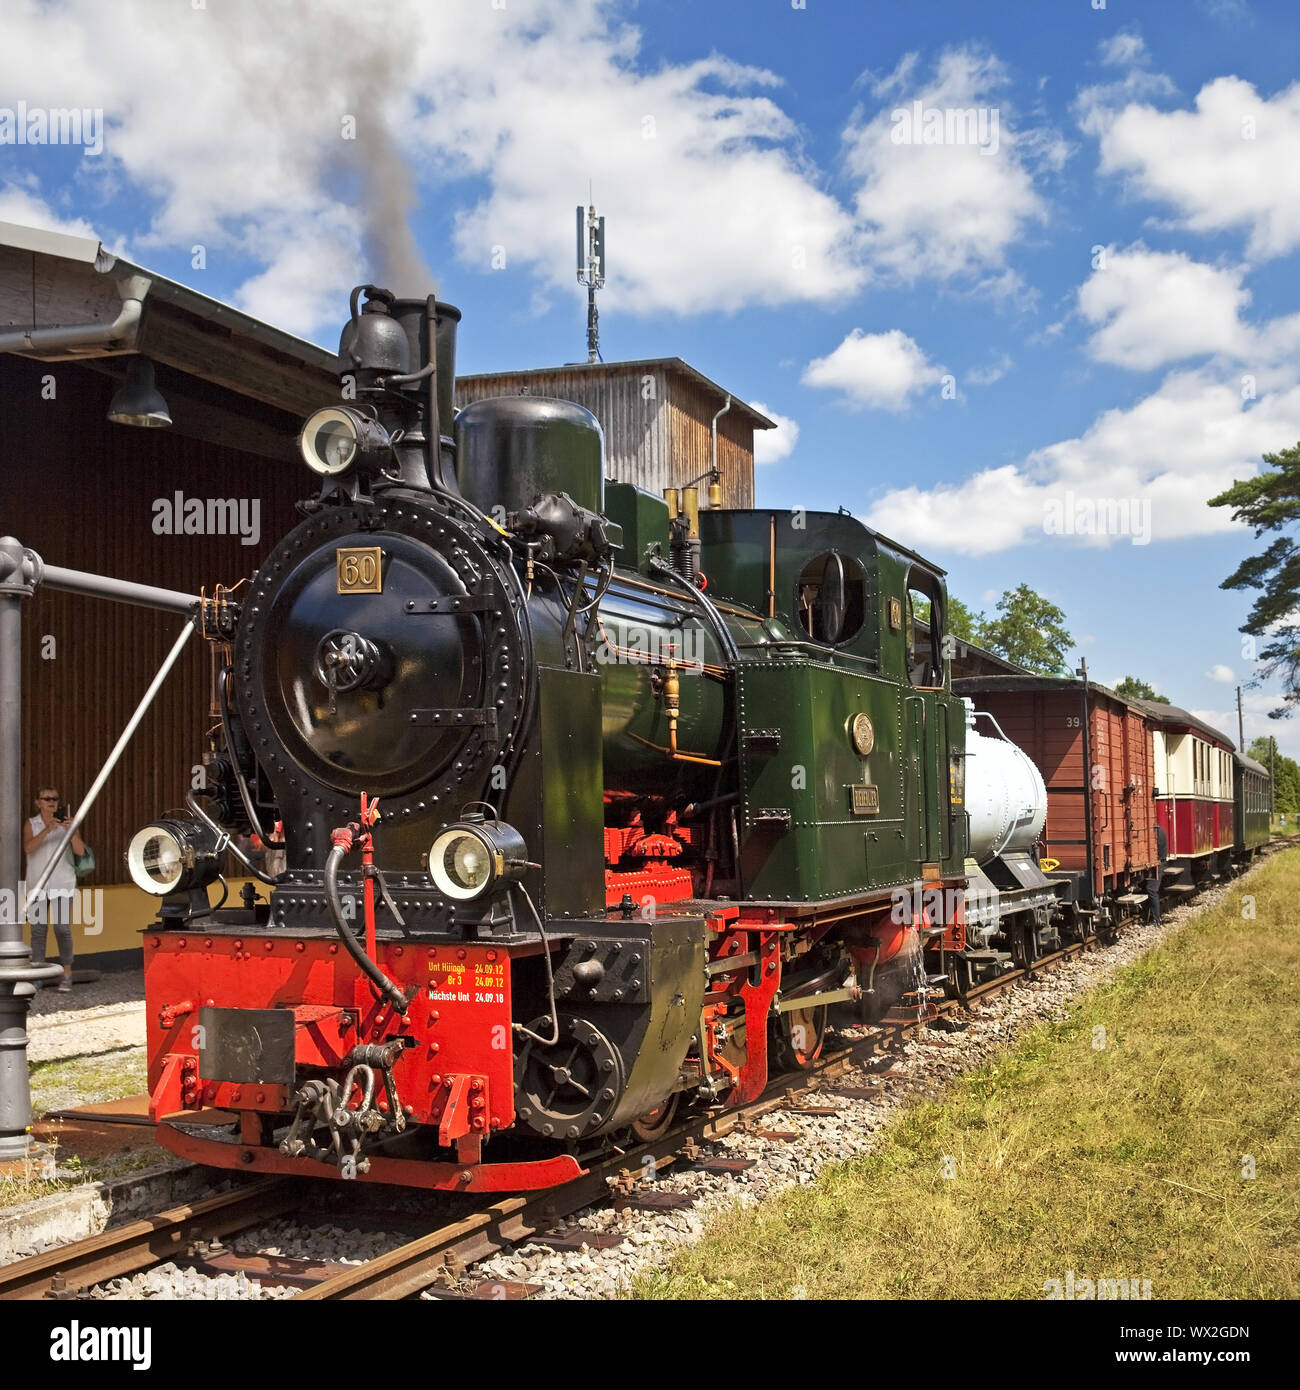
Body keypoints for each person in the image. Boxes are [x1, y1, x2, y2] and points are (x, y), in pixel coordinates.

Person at [23, 786, 85, 992]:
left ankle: (66, 973)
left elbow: (80, 851)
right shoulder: (31, 824)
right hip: (38, 885)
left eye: (55, 799)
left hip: (62, 883)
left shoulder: (68, 825)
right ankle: (38, 974)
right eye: (46, 798)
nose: (51, 802)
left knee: (62, 929)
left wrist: (70, 830)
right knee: (38, 931)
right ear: (38, 803)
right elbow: (28, 848)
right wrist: (47, 830)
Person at [1147, 819, 1169, 927]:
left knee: (1152, 890)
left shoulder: (1157, 833)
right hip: (1160, 862)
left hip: (1158, 864)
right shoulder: (1160, 830)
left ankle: (1156, 919)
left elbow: (1156, 852)